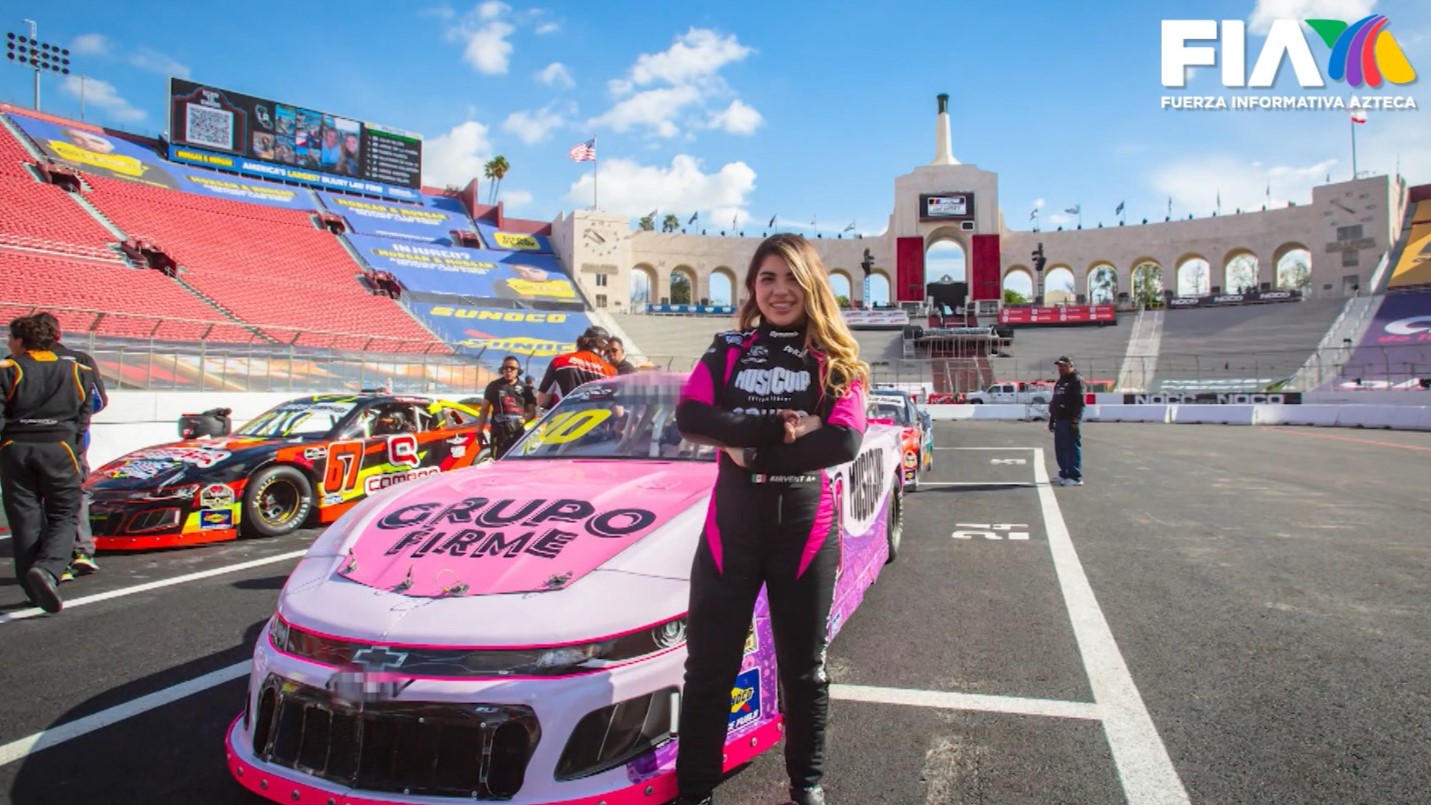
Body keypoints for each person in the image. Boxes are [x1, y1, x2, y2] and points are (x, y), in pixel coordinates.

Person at [672, 233, 869, 805]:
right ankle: (695, 792)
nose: (779, 291)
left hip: (803, 529)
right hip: (730, 528)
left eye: (791, 279)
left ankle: (806, 786)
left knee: (804, 673)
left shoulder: (836, 357)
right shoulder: (727, 346)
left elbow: (844, 440)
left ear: (812, 286)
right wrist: (780, 431)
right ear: (752, 287)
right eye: (767, 278)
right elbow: (690, 415)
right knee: (709, 667)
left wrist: (737, 437)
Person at [1, 314, 97, 614]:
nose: (8, 343)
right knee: (64, 516)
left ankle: (34, 587)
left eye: (10, 338)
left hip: (15, 448)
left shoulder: (8, 368)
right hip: (61, 448)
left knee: (24, 521)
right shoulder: (78, 368)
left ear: (20, 340)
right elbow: (85, 414)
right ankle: (48, 571)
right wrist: (75, 445)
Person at [38, 313, 107, 578]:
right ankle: (82, 551)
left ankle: (57, 557)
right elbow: (100, 401)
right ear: (58, 334)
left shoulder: (17, 364)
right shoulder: (81, 360)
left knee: (39, 497)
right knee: (73, 494)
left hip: (30, 441)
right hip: (73, 440)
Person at [535, 325, 616, 408]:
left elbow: (541, 401)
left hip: (563, 418)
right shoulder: (611, 371)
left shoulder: (560, 361)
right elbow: (617, 411)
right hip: (596, 419)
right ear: (603, 347)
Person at [478, 355, 537, 459]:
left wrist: (521, 422)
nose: (508, 370)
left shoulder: (526, 389)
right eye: (505, 368)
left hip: (517, 434)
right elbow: (484, 409)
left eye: (512, 368)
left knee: (516, 465)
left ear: (518, 371)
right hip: (498, 434)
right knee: (497, 464)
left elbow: (532, 412)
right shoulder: (493, 386)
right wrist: (479, 431)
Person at [1048, 356, 1085, 486]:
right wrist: (1052, 419)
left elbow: (1080, 403)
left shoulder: (1076, 380)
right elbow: (1055, 400)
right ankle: (1064, 473)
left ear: (1071, 365)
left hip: (1070, 419)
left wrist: (1076, 420)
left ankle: (1075, 476)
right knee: (1060, 448)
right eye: (1059, 366)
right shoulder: (1060, 381)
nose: (1060, 368)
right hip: (1059, 419)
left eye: (1063, 365)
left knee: (1072, 448)